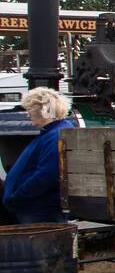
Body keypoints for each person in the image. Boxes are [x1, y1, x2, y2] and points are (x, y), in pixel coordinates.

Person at [2, 87, 75, 224]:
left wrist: (18, 196)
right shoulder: (52, 133)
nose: (27, 115)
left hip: (40, 210)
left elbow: (47, 175)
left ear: (45, 109)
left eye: (30, 109)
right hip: (36, 207)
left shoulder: (56, 135)